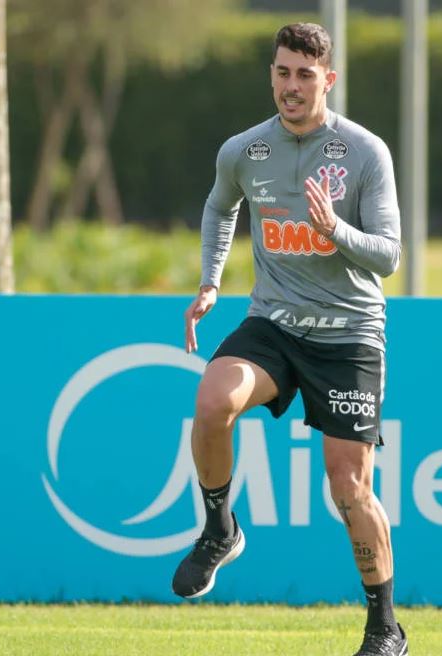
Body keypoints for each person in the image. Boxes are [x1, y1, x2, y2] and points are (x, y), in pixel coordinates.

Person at [171, 22, 408, 656]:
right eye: (282, 73)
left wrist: (337, 232)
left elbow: (389, 256)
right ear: (271, 76)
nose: (292, 86)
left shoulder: (365, 152)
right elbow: (221, 207)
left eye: (306, 75)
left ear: (328, 79)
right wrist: (212, 282)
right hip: (274, 324)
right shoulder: (243, 151)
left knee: (349, 487)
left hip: (349, 334)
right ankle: (219, 528)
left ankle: (385, 628)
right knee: (213, 400)